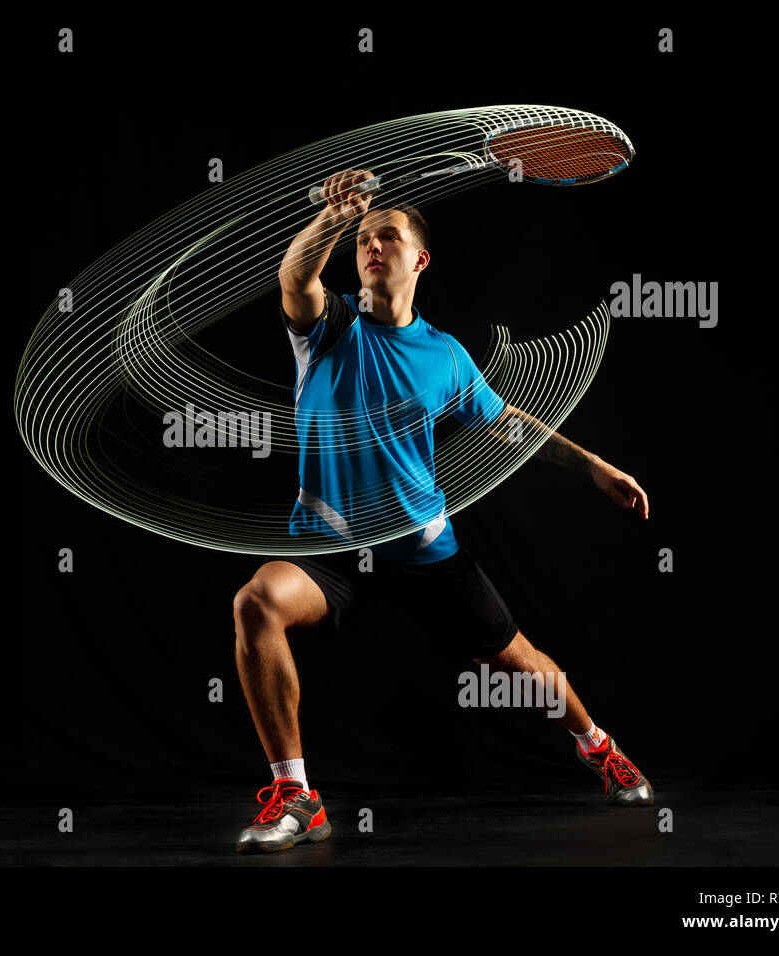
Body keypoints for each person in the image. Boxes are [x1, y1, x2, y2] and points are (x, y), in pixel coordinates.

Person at [232, 169, 654, 853]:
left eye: (387, 236)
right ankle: (298, 796)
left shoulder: (446, 356)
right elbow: (294, 277)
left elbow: (508, 425)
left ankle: (598, 745)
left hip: (424, 550)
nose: (371, 246)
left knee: (517, 657)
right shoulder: (329, 328)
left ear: (419, 259)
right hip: (333, 546)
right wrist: (335, 217)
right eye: (363, 238)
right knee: (257, 602)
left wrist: (596, 468)